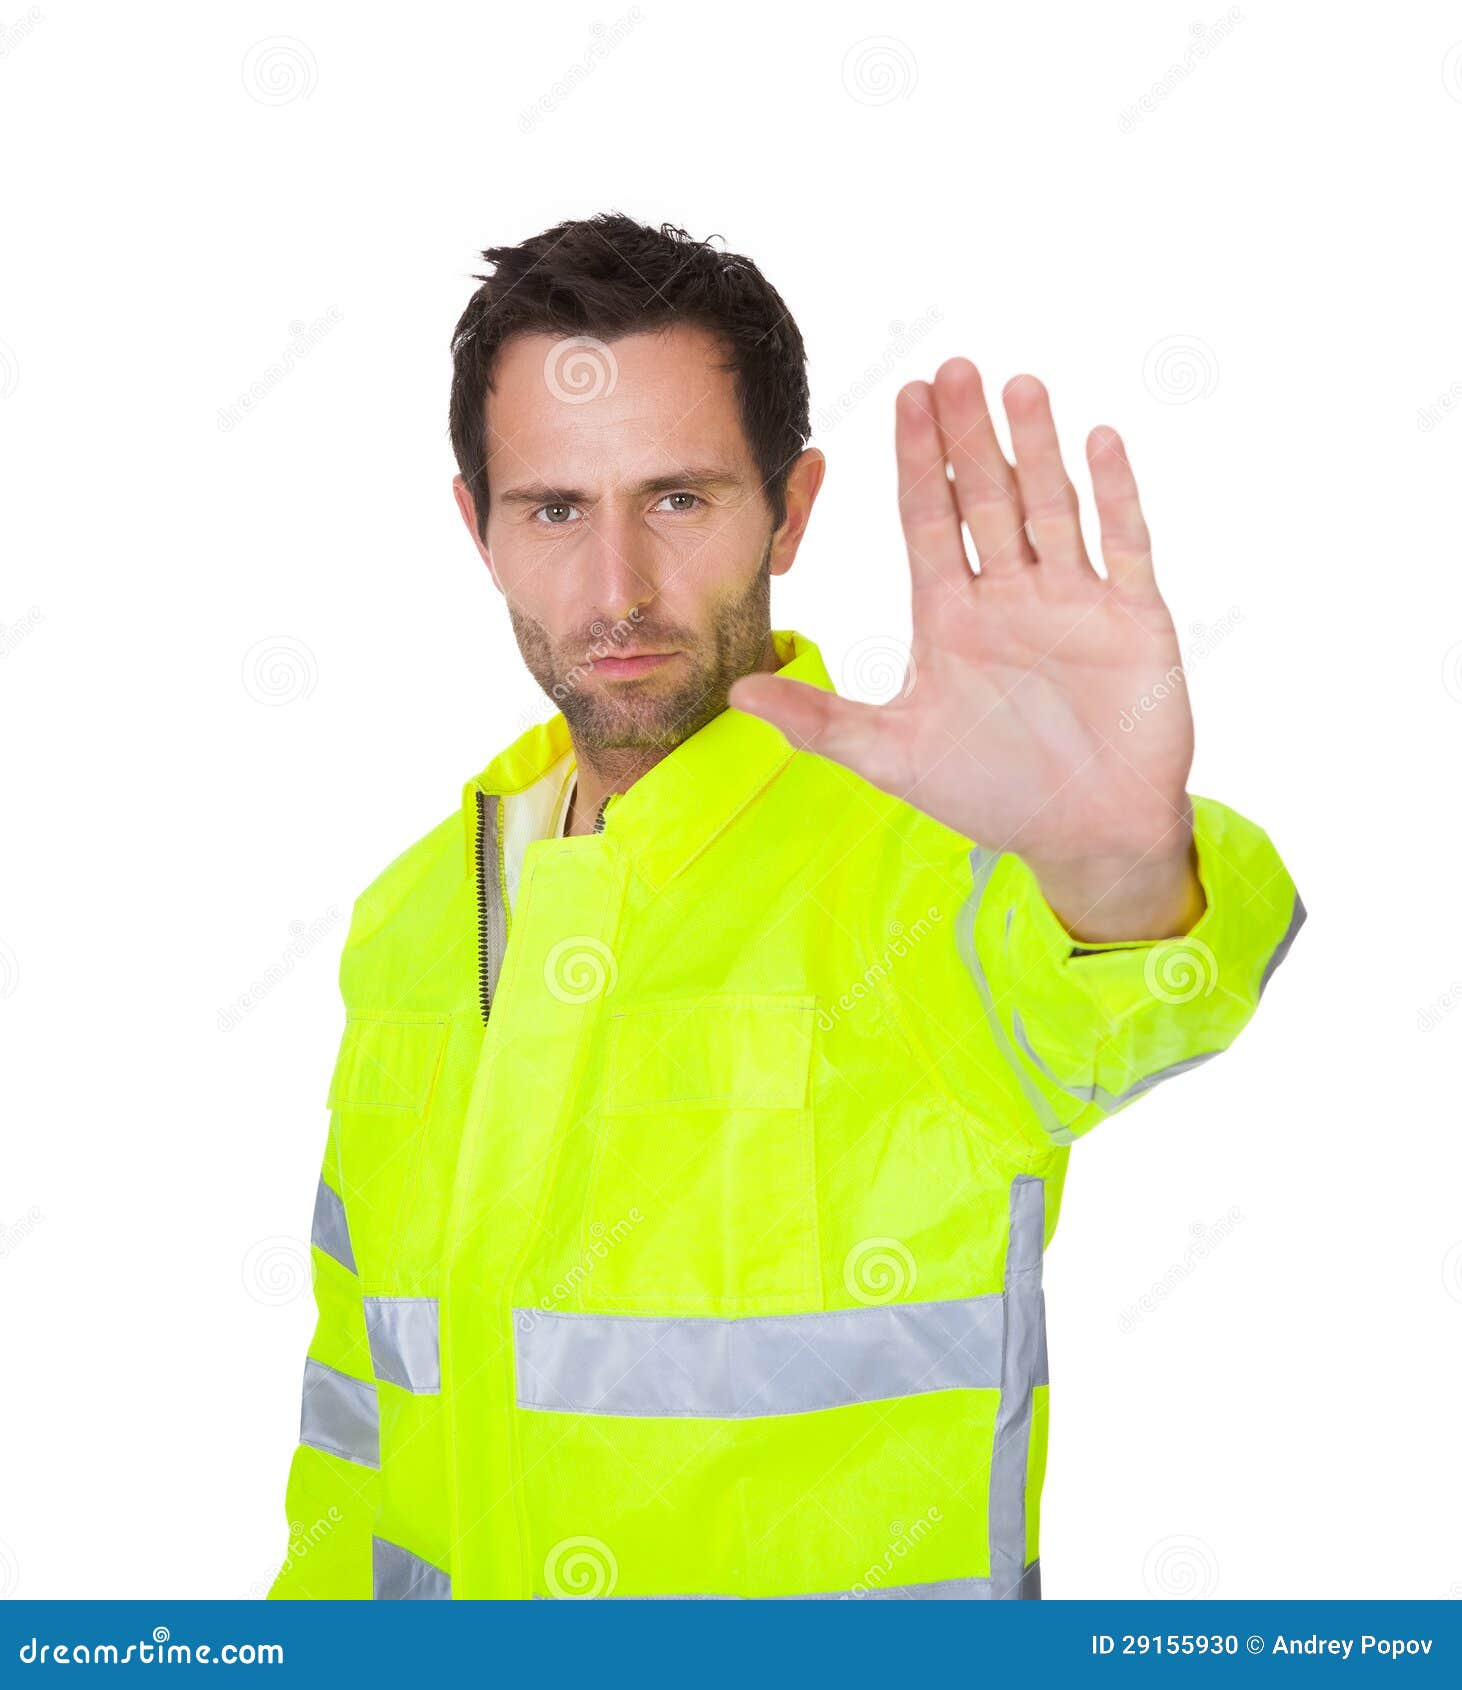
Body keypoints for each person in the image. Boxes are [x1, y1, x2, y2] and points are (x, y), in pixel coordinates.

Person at [267, 212, 1304, 1601]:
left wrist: (1117, 861)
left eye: (679, 500)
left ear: (791, 508)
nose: (618, 587)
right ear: (480, 529)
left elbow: (1134, 982)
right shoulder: (408, 922)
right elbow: (352, 1430)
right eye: (555, 510)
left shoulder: (933, 867)